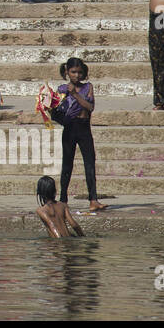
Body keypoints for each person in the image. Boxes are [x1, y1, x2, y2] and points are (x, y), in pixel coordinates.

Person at [56, 57, 107, 212]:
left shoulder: (88, 87)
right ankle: (63, 200)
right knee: (67, 164)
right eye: (73, 72)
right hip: (70, 128)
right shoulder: (62, 89)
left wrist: (76, 95)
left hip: (84, 129)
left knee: (90, 164)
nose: (76, 75)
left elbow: (90, 107)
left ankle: (93, 200)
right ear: (67, 72)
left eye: (79, 72)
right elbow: (58, 111)